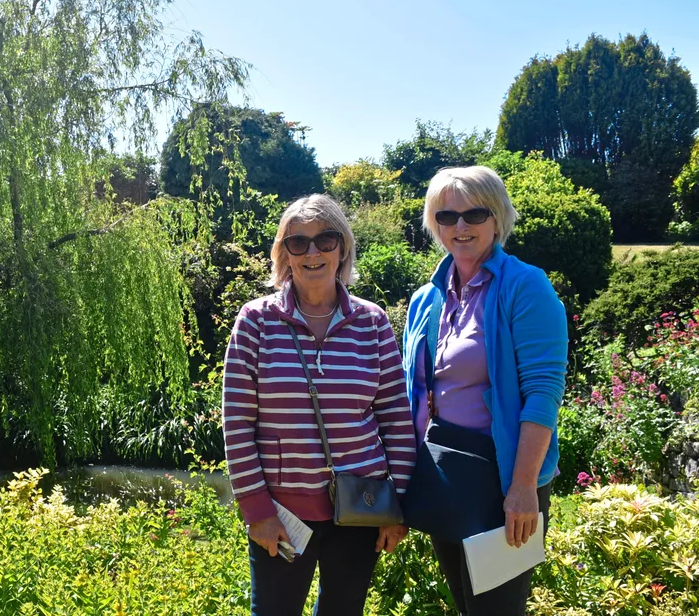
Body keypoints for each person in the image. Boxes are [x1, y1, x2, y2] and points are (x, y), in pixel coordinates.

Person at [223, 194, 416, 616]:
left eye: (325, 240)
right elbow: (237, 424)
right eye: (298, 243)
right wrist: (257, 511)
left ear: (342, 247)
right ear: (284, 255)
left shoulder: (372, 322)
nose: (313, 251)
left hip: (360, 508)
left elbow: (397, 423)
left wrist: (394, 505)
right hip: (282, 513)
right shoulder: (255, 322)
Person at [402, 166, 567, 615]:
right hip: (447, 469)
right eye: (446, 215)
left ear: (497, 218)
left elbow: (543, 392)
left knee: (497, 610)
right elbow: (410, 396)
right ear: (434, 224)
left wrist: (523, 486)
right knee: (465, 604)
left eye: (474, 214)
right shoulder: (426, 299)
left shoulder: (525, 286)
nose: (460, 226)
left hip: (505, 477)